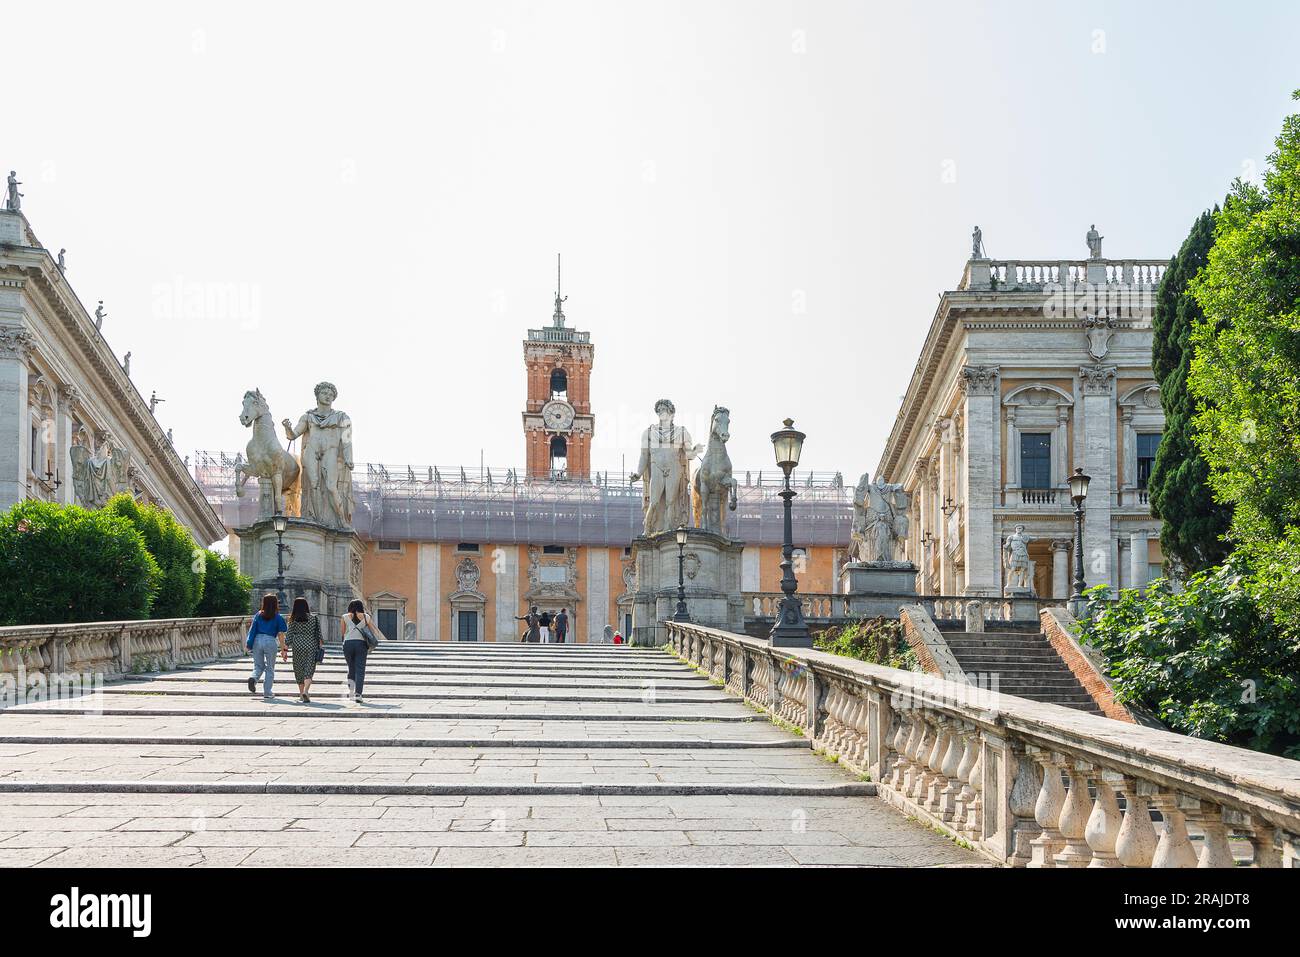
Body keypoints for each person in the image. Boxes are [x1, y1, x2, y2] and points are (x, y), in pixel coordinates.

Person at [246, 594, 287, 701]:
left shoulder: (258, 615)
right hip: (270, 641)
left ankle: (253, 678)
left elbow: (252, 630)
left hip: (257, 640)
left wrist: (249, 644)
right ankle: (267, 692)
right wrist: (283, 649)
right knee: (270, 667)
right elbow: (281, 634)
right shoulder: (278, 617)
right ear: (275, 604)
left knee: (258, 665)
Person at [285, 596, 324, 703]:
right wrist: (320, 646)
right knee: (309, 668)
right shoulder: (314, 618)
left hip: (297, 645)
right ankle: (306, 691)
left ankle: (301, 694)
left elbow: (289, 634)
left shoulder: (293, 618)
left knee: (298, 669)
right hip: (311, 644)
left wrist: (285, 648)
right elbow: (319, 634)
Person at [340, 599, 377, 703]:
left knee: (351, 668)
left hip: (348, 644)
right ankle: (358, 694)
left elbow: (342, 632)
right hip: (361, 644)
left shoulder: (344, 617)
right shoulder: (366, 617)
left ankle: (351, 692)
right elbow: (372, 631)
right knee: (360, 670)